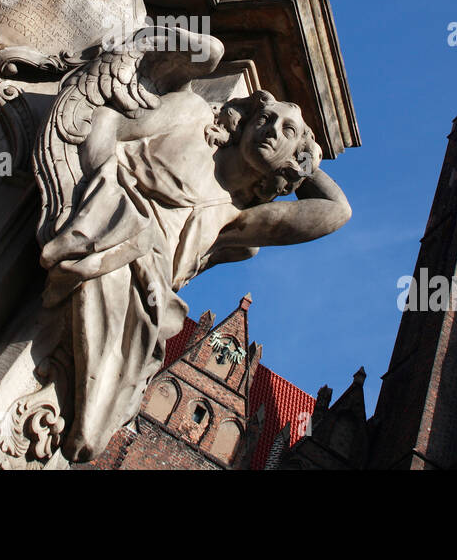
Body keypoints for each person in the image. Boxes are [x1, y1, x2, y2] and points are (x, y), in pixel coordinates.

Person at [38, 31, 351, 461]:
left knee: (129, 350)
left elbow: (336, 212)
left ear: (290, 166)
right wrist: (102, 189)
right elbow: (108, 124)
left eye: (287, 134)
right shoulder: (190, 113)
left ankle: (83, 411)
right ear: (245, 117)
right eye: (267, 119)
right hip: (95, 213)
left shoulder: (235, 222)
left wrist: (306, 160)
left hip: (141, 285)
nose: (273, 131)